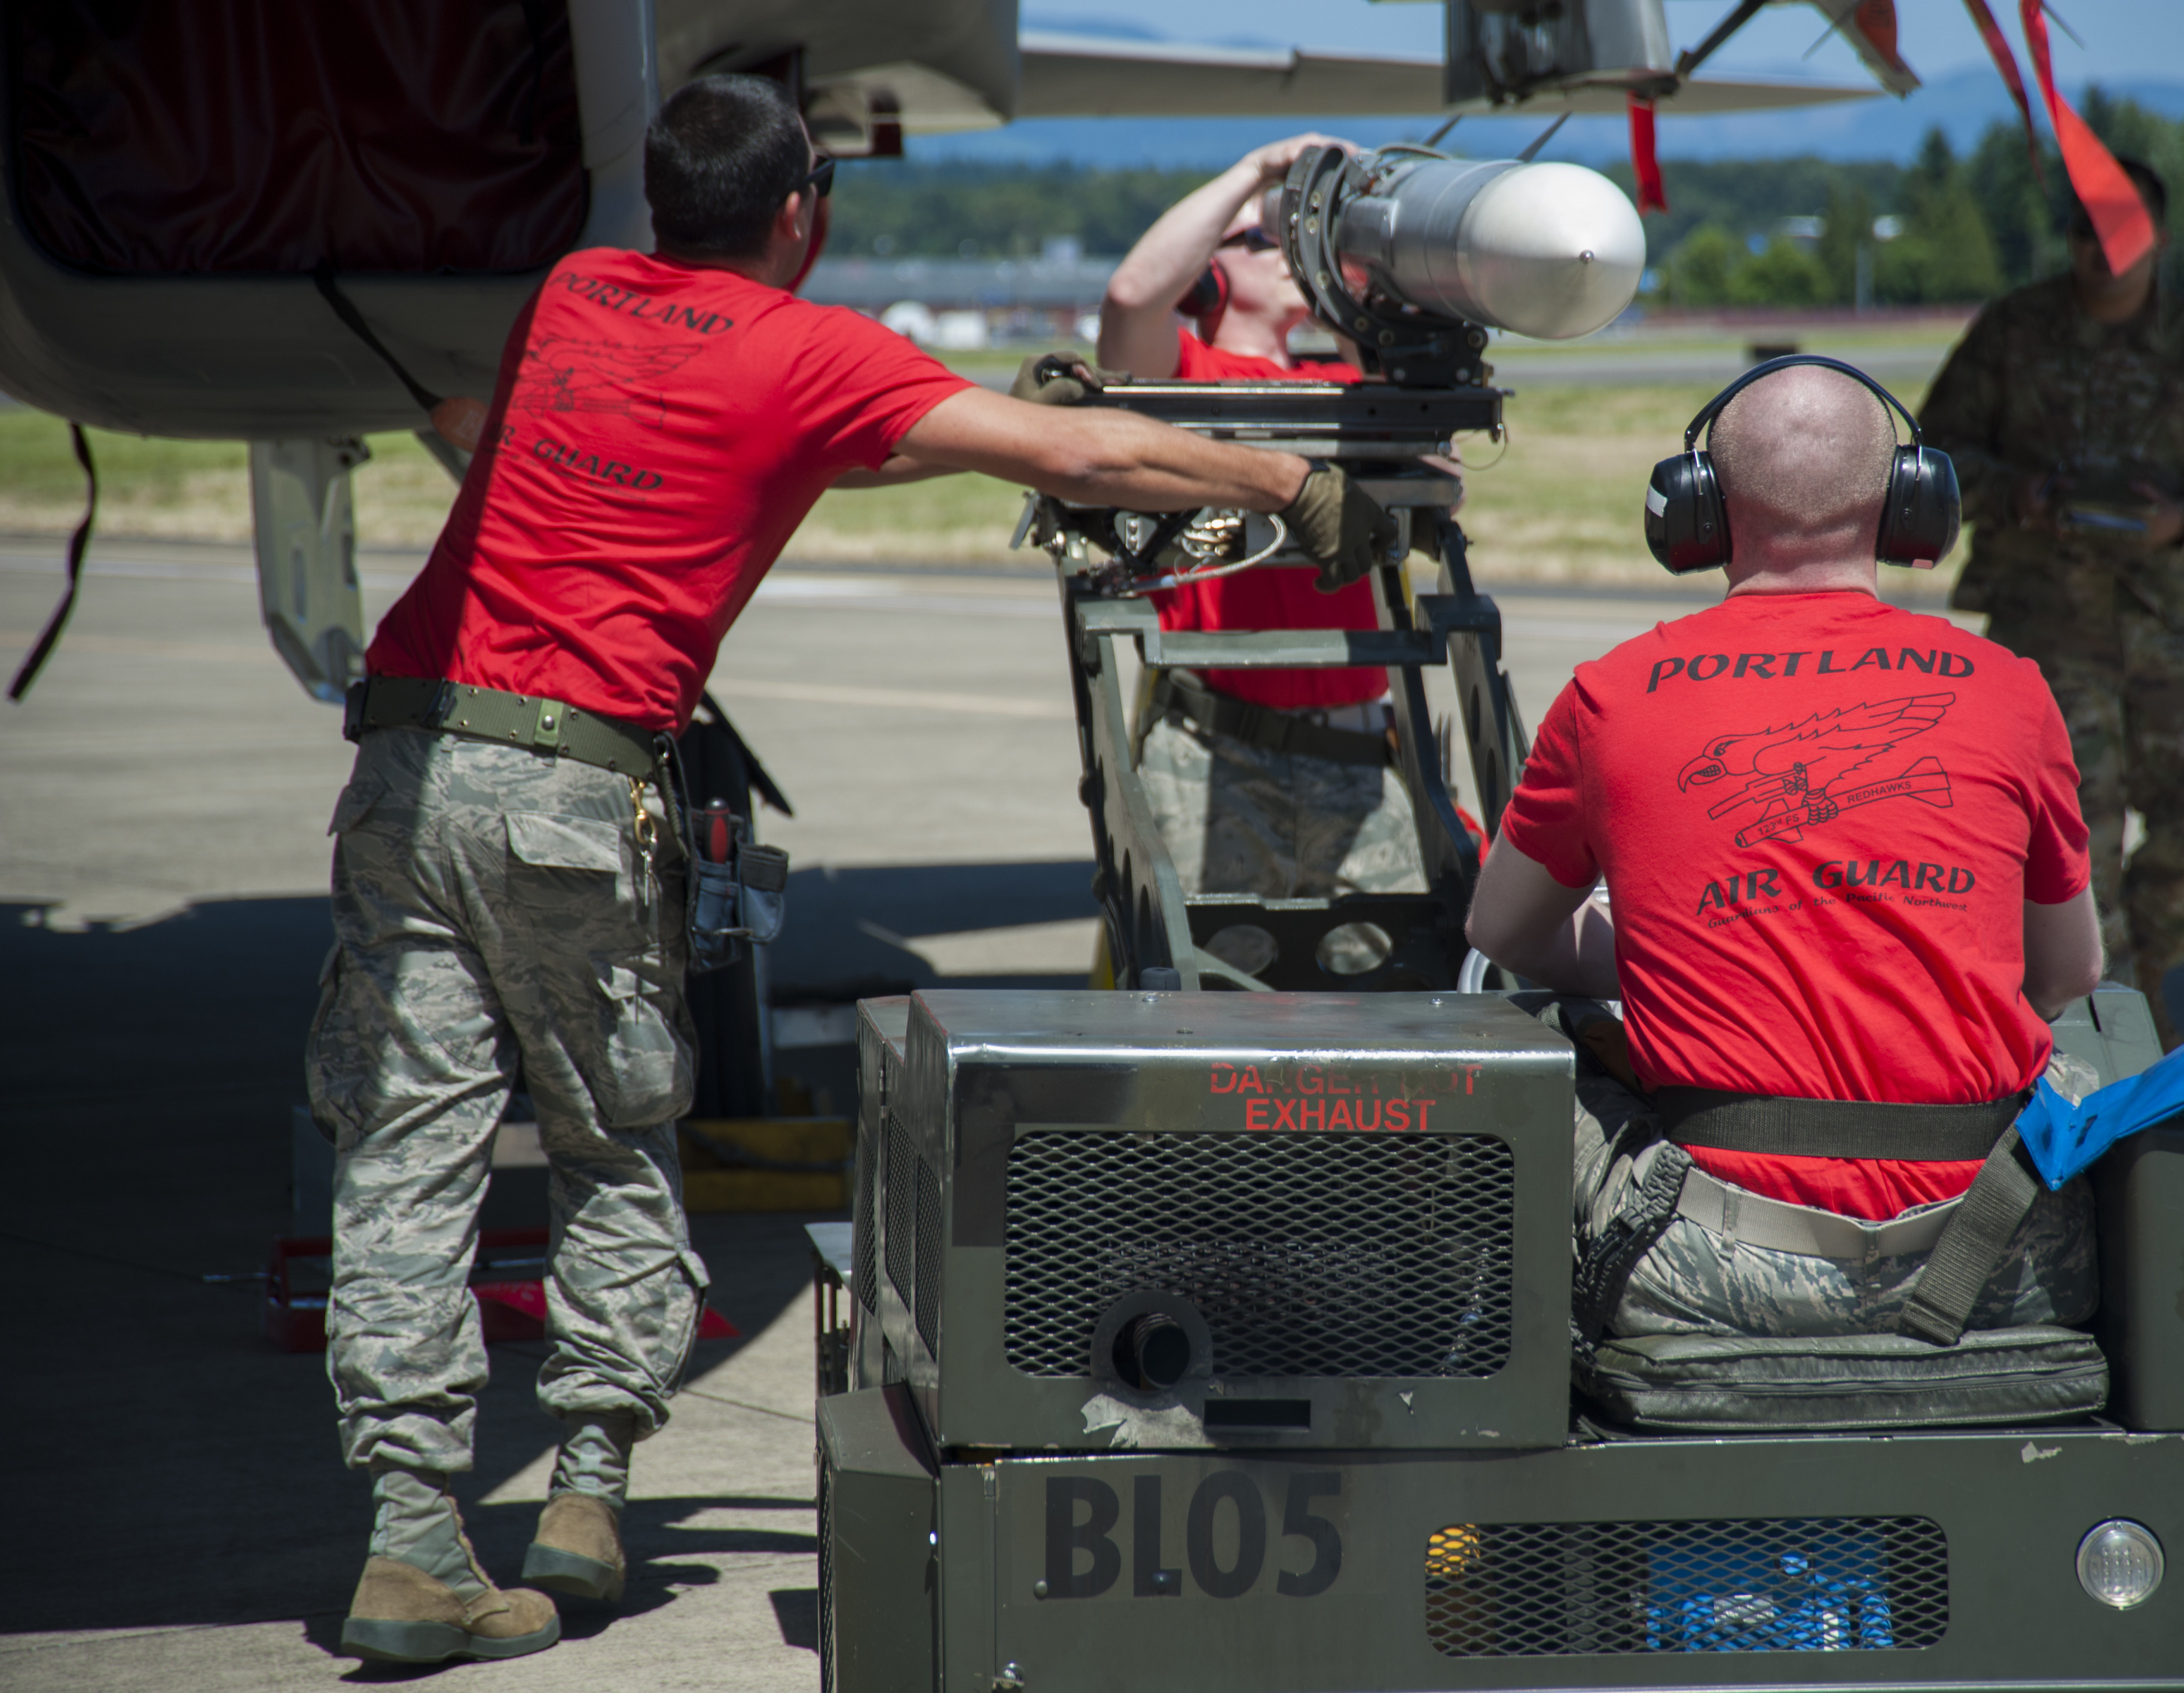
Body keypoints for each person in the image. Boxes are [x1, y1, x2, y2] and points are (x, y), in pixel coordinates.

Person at [313, 77, 1388, 1667]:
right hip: (565, 796)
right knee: (609, 1141)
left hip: (408, 767)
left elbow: (780, 449)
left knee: (408, 1154)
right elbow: (1075, 449)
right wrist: (1287, 487)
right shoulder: (806, 347)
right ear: (801, 214)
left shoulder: (577, 291)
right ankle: (591, 1491)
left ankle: (411, 1536)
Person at [1465, 362, 2104, 1345]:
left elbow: (1501, 931)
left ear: (1700, 514)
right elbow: (2067, 975)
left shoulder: (1613, 694)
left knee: (1539, 1034)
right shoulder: (2009, 689)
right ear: (1907, 505)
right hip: (1990, 1257)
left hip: (1713, 1267)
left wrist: (1651, 955)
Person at [1921, 158, 2184, 1048]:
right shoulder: (2014, 332)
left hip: (2167, 622)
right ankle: (2110, 1031)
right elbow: (1937, 452)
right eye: (2084, 231)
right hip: (2050, 624)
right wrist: (2020, 495)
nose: (2100, 251)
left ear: (2154, 238)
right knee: (2078, 831)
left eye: (2119, 233)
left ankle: (2139, 977)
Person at [1095, 135, 1426, 975]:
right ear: (1210, 272)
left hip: (1359, 754)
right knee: (1213, 995)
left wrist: (1354, 295)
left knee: (1391, 999)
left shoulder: (1357, 396)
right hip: (1218, 752)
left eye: (1297, 237)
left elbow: (1443, 481)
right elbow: (1132, 295)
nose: (1286, 251)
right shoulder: (1183, 380)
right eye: (1261, 239)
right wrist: (1250, 175)